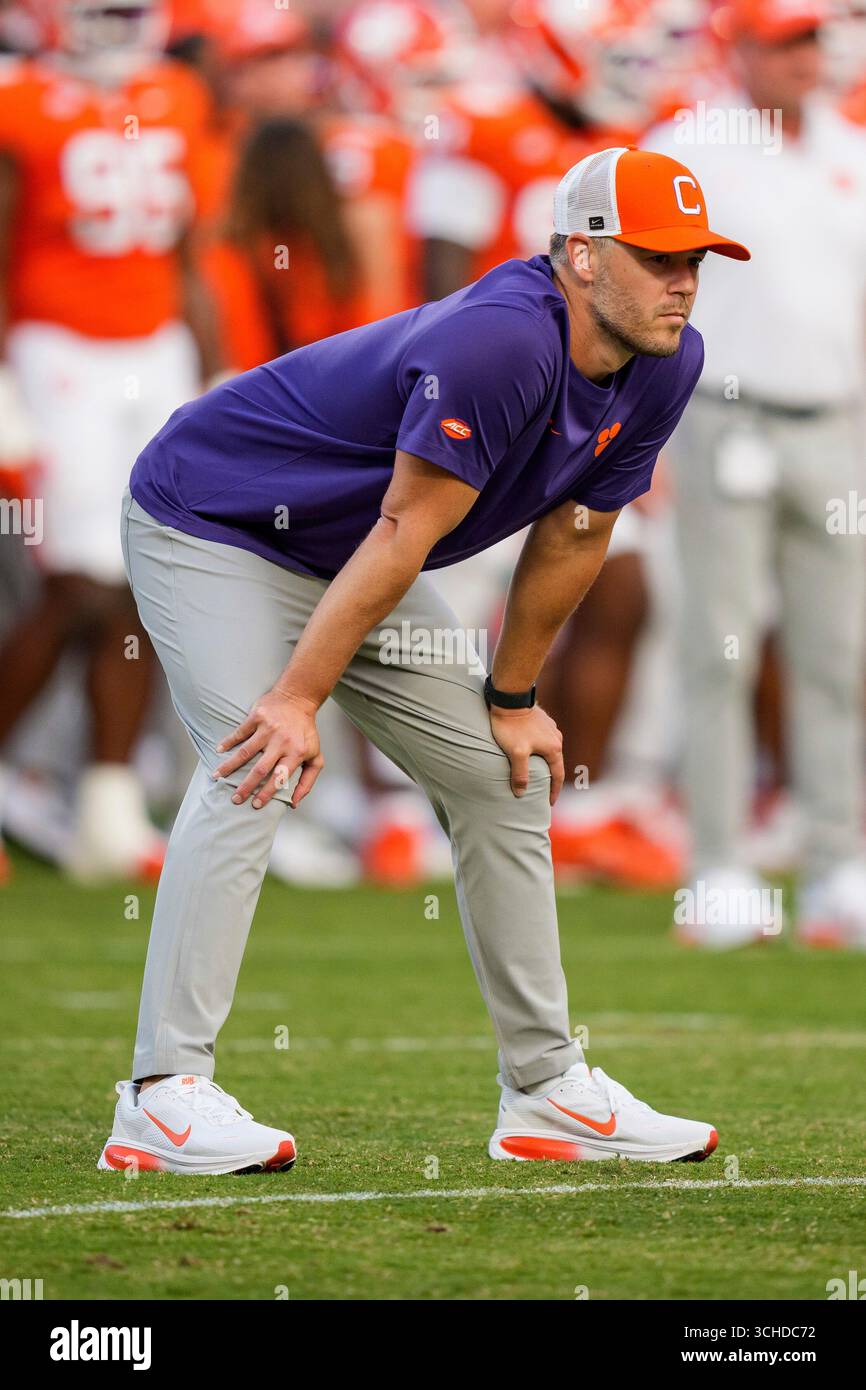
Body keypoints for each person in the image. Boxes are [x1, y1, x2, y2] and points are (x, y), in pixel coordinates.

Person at [98, 146, 749, 1176]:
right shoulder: (500, 345)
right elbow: (403, 529)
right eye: (656, 256)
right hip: (212, 517)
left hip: (351, 552)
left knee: (503, 776)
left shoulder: (667, 361)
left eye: (695, 259)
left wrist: (513, 695)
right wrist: (296, 697)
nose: (680, 281)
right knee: (253, 760)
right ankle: (161, 1090)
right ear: (579, 257)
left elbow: (576, 533)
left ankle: (545, 1090)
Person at [646, 0, 866, 948]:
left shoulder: (848, 143)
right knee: (718, 648)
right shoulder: (687, 148)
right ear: (737, 45)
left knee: (838, 655)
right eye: (786, 40)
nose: (804, 58)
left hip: (836, 419)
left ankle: (836, 864)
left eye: (813, 38)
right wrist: (637, 432)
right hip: (721, 416)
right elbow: (632, 289)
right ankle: (721, 864)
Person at [0, 0, 218, 881]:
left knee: (139, 577)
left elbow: (190, 250)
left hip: (155, 349)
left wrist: (216, 371)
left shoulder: (176, 94)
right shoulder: (20, 102)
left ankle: (108, 808)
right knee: (80, 581)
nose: (115, 25)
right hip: (58, 354)